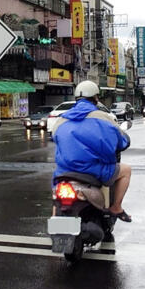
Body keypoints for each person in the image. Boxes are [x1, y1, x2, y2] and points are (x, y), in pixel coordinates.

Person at [51, 80, 133, 222]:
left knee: (57, 190)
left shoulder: (61, 119)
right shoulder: (104, 118)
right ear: (96, 98)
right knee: (126, 170)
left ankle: (54, 219)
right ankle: (116, 207)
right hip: (94, 170)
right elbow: (122, 141)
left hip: (65, 171)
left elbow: (55, 137)